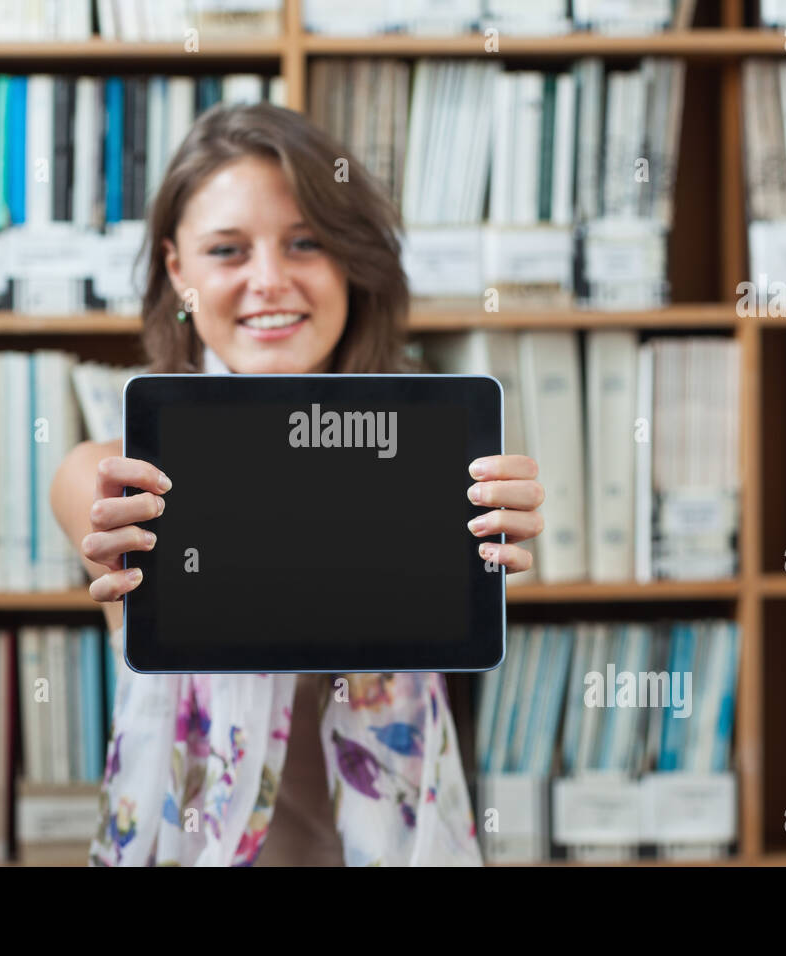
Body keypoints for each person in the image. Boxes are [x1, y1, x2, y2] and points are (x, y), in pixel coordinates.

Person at [50, 102, 544, 866]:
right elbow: (95, 498)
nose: (269, 281)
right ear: (178, 272)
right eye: (227, 251)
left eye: (307, 242)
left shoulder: (435, 463)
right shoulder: (116, 473)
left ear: (351, 259)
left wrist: (493, 530)